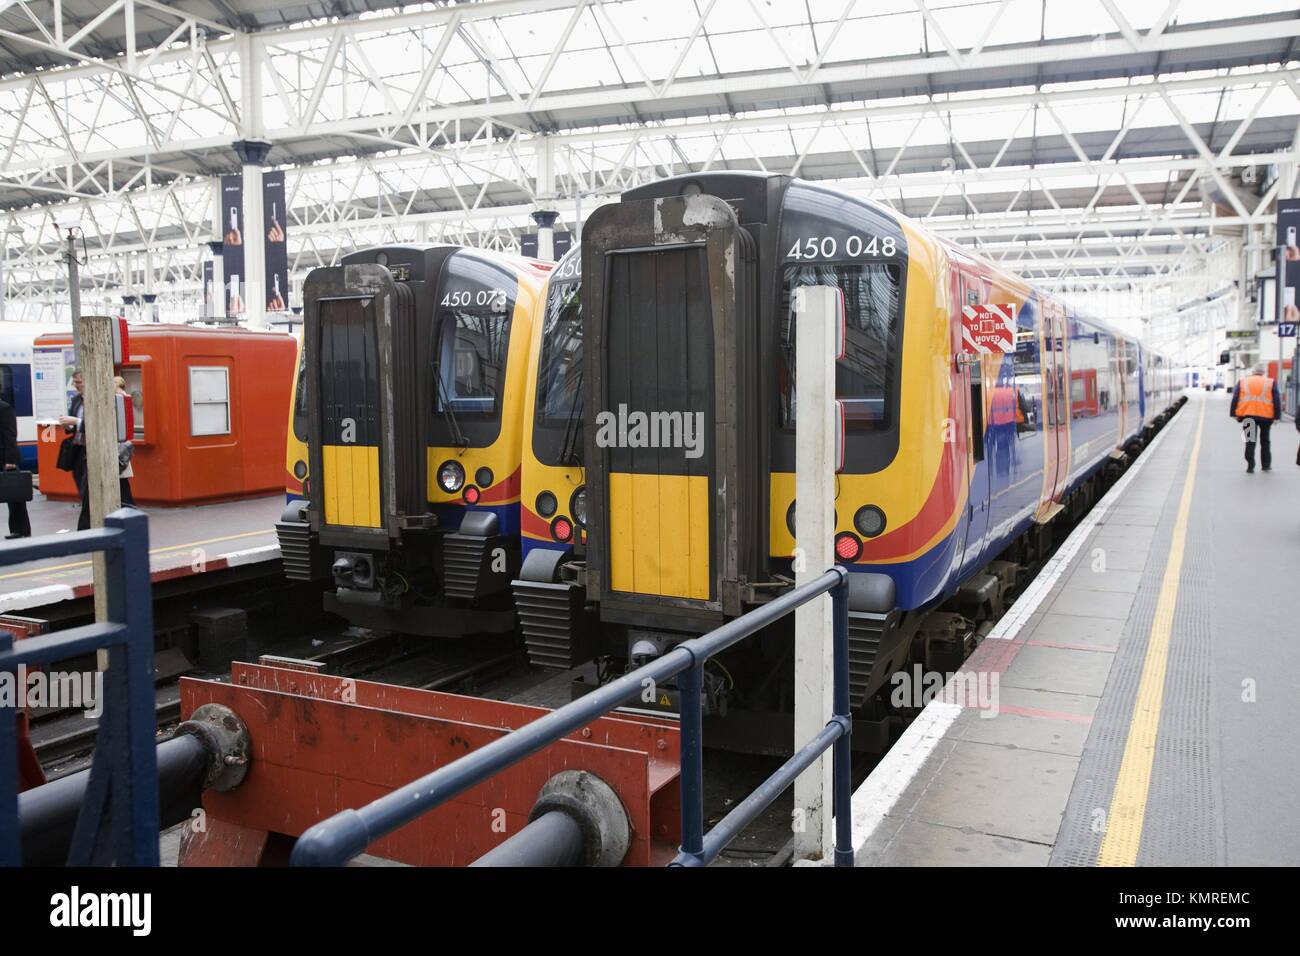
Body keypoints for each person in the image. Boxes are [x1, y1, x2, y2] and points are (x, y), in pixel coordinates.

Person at [1230, 362, 1282, 473]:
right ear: (1264, 372)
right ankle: (1266, 465)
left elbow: (1235, 397)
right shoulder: (1270, 382)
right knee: (1265, 441)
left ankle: (1250, 465)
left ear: (1253, 371)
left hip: (1248, 415)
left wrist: (1233, 413)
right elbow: (1277, 400)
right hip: (1266, 417)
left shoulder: (1243, 382)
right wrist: (1277, 416)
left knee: (1250, 440)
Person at [56, 370, 89, 530]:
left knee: (87, 490)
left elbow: (98, 424)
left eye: (78, 382)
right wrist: (68, 425)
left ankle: (86, 526)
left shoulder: (96, 399)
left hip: (91, 450)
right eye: (74, 382)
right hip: (77, 450)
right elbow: (73, 427)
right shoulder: (76, 399)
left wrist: (76, 421)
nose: (76, 386)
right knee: (81, 487)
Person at [0, 397, 30, 538]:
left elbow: (10, 436)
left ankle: (20, 530)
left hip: (4, 457)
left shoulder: (4, 408)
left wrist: (10, 461)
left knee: (14, 496)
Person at [114, 376, 136, 507]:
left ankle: (129, 506)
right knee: (122, 481)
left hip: (119, 445)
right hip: (123, 444)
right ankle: (128, 505)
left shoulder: (120, 399)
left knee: (122, 482)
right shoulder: (125, 397)